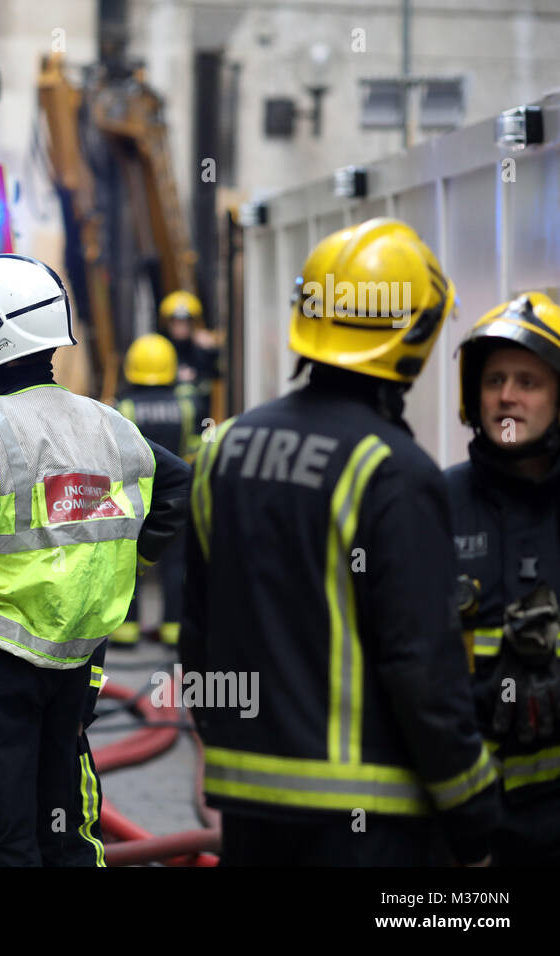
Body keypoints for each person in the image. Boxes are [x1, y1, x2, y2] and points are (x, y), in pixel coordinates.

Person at [180, 218, 500, 866]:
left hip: (247, 807)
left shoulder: (221, 451)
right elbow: (421, 670)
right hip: (367, 823)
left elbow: (196, 636)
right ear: (413, 336)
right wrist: (475, 814)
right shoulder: (395, 471)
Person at [0, 253, 192, 866]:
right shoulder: (105, 423)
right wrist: (120, 568)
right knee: (65, 822)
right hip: (74, 658)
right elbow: (178, 487)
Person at [446, 291, 560, 866]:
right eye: (494, 381)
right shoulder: (436, 502)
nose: (507, 397)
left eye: (528, 382)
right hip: (465, 825)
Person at [114, 333, 196, 646]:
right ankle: (173, 627)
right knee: (176, 564)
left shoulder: (124, 406)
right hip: (175, 496)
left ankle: (126, 629)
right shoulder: (185, 406)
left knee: (129, 561)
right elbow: (190, 451)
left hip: (135, 497)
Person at [157, 290, 219, 424]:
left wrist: (212, 350)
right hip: (170, 416)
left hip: (200, 417)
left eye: (186, 322)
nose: (181, 328)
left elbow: (218, 373)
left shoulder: (201, 351)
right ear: (168, 323)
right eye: (176, 322)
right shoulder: (160, 350)